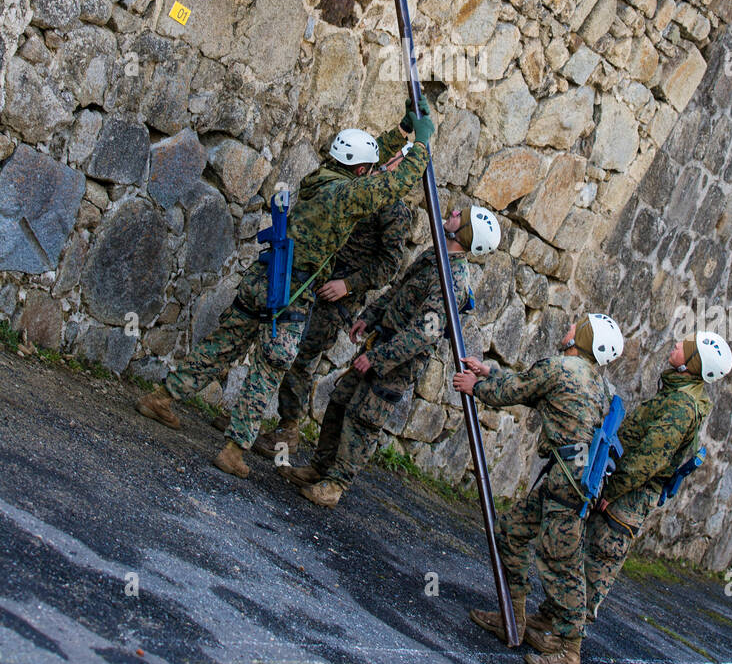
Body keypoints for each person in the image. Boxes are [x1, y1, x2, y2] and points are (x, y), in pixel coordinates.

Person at [135, 106, 435, 476]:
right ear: (361, 171)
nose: (371, 170)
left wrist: (401, 129)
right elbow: (391, 184)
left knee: (222, 345)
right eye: (369, 168)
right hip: (290, 291)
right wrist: (421, 142)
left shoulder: (322, 176)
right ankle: (234, 449)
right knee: (271, 367)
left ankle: (161, 397)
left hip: (265, 275)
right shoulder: (346, 196)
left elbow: (364, 157)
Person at [283, 205, 501, 508]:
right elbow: (398, 290)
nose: (451, 212)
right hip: (381, 344)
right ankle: (320, 469)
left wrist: (378, 358)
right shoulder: (435, 255)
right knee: (340, 401)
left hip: (398, 363)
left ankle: (335, 485)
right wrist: (370, 317)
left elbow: (423, 335)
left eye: (458, 215)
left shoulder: (452, 282)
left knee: (363, 419)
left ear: (464, 233)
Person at [454, 312, 624, 664]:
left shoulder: (562, 367)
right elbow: (532, 390)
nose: (568, 329)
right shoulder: (596, 382)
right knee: (511, 530)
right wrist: (488, 372)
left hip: (567, 484)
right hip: (572, 481)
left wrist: (476, 386)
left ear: (583, 337)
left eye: (575, 326)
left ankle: (569, 653)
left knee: (561, 564)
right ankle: (511, 614)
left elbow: (515, 392)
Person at [581, 331, 732, 626]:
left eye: (685, 346)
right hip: (625, 493)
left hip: (626, 499)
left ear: (693, 363)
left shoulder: (681, 407)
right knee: (585, 561)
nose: (677, 344)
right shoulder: (679, 394)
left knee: (594, 570)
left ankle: (566, 651)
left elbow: (650, 459)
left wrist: (611, 490)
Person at [257, 169, 412, 459]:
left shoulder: (395, 209)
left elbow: (389, 265)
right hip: (311, 277)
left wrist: (348, 285)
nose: (387, 163)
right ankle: (248, 418)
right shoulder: (361, 186)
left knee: (300, 358)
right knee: (275, 342)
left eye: (396, 161)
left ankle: (288, 430)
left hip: (336, 297)